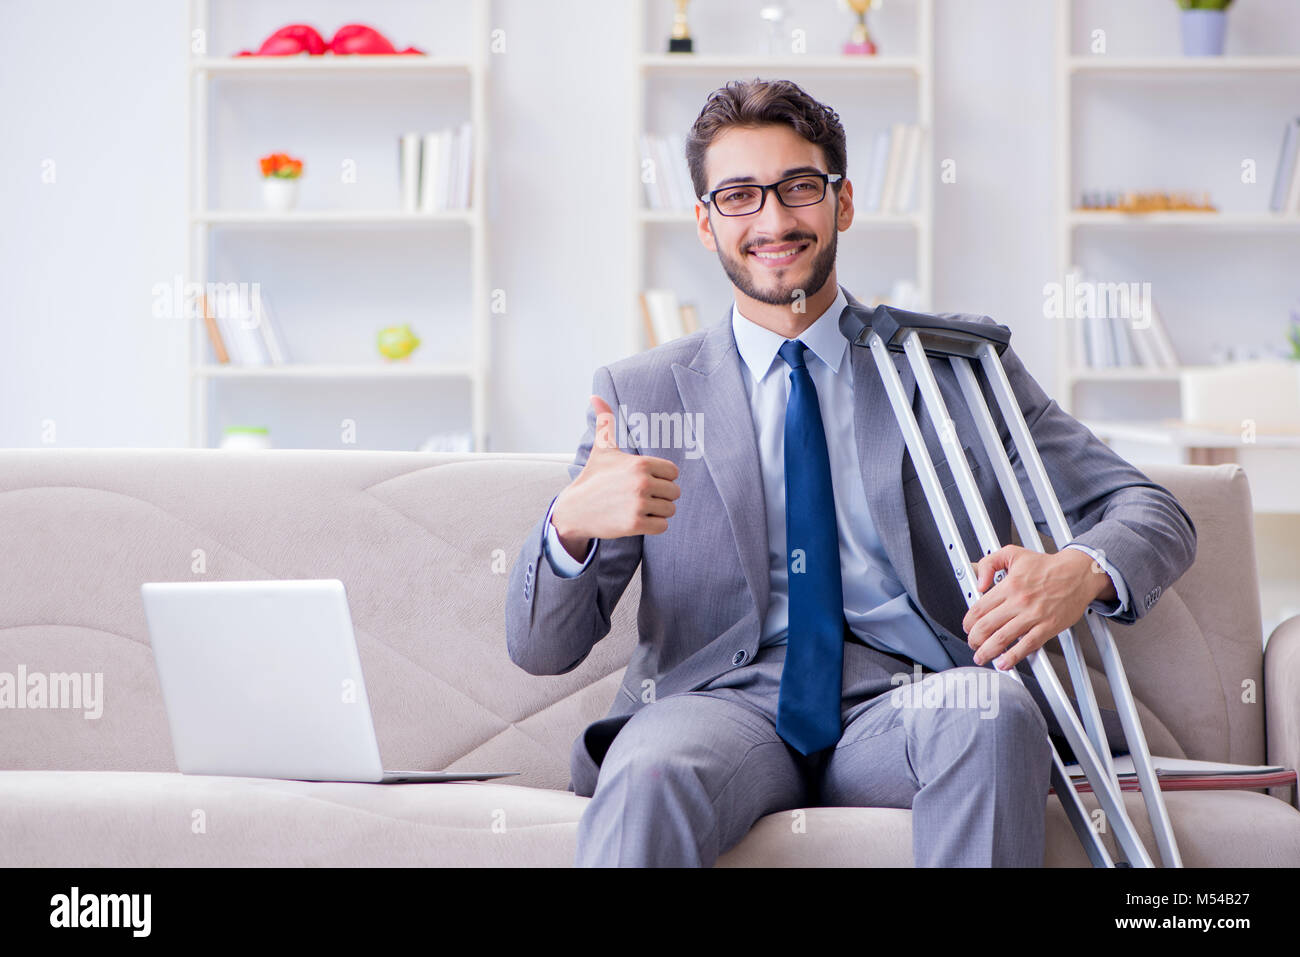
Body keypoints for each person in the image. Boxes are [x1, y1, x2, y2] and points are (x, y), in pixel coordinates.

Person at [505, 78, 1196, 867]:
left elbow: (1150, 509)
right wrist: (569, 525)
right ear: (704, 221)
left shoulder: (955, 366)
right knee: (650, 769)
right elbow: (539, 648)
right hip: (715, 707)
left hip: (912, 696)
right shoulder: (641, 394)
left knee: (992, 711)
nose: (772, 220)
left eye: (799, 187)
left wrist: (1078, 571)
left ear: (844, 202)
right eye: (738, 196)